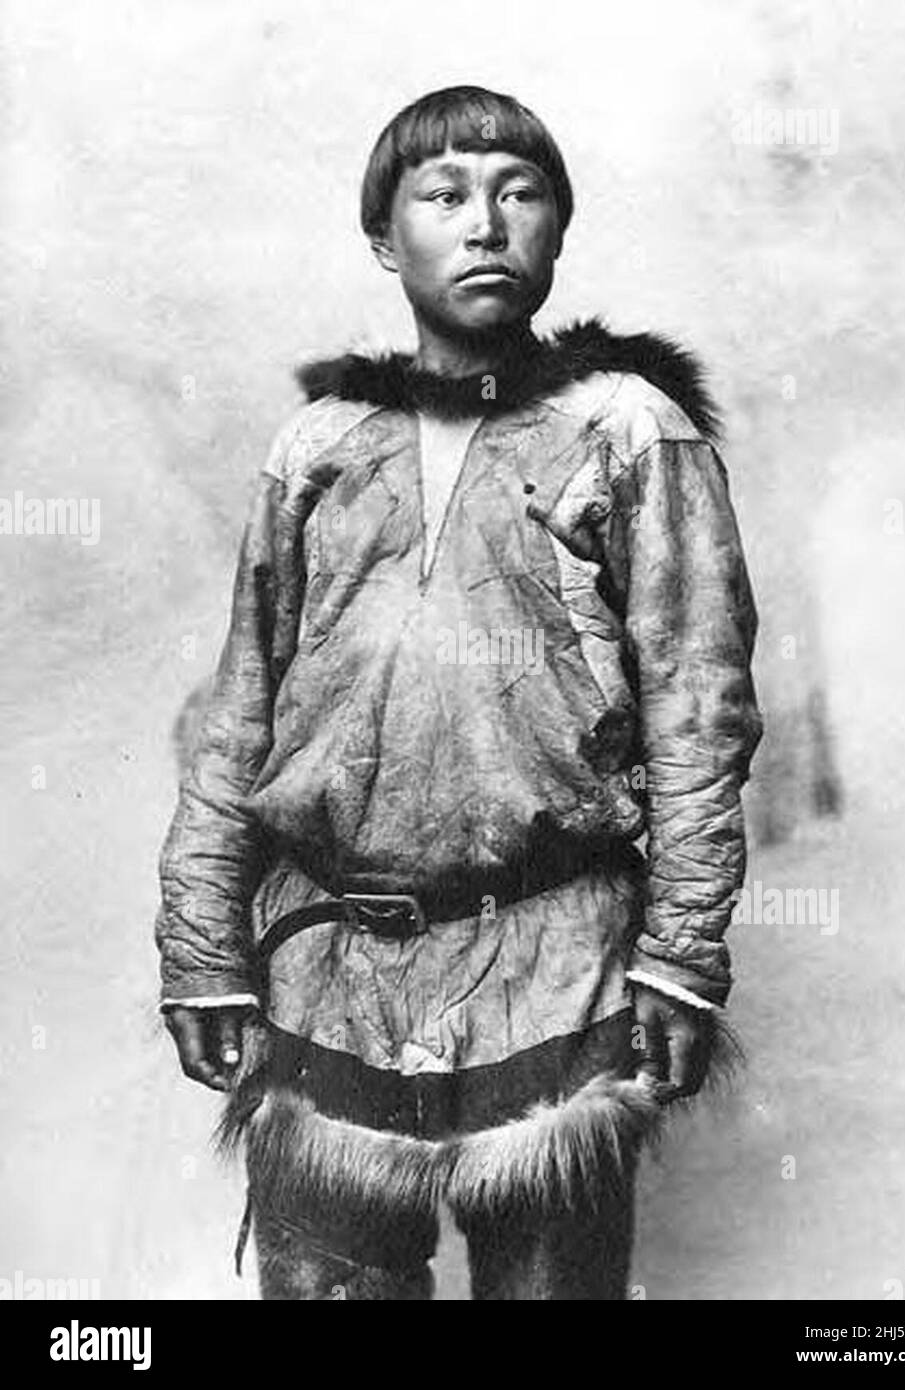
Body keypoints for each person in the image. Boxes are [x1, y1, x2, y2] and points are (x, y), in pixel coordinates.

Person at [156, 85, 763, 1300]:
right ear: (387, 238)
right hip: (328, 966)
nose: (485, 222)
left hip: (555, 957)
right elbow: (239, 717)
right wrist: (199, 945)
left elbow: (698, 712)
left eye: (519, 192)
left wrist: (683, 953)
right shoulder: (320, 446)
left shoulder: (627, 432)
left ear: (558, 229)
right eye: (444, 195)